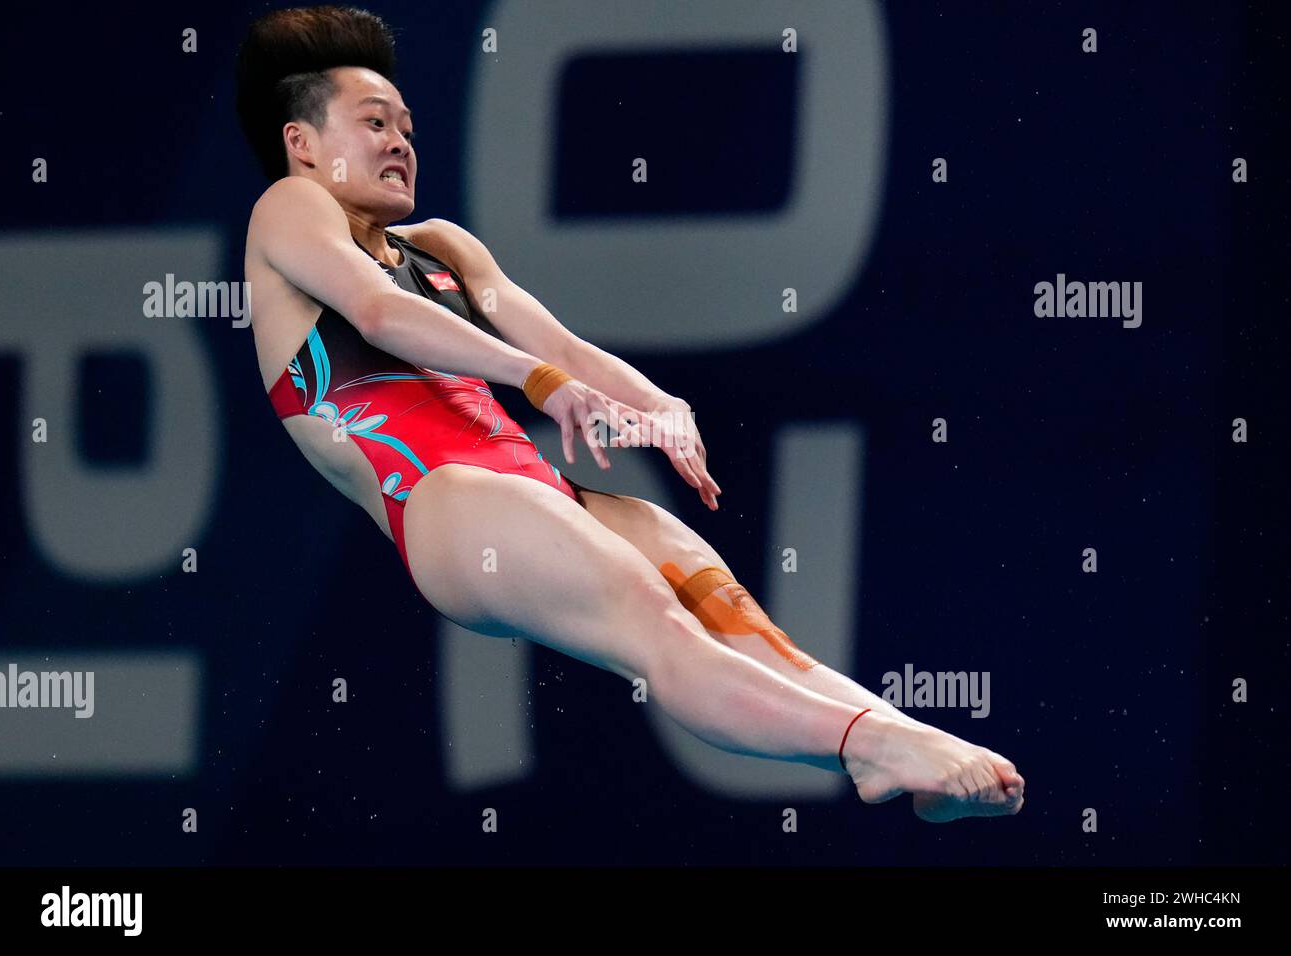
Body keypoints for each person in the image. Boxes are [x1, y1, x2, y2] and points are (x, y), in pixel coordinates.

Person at [236, 4, 1024, 822]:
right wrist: (535, 381)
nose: (400, 141)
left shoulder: (445, 250)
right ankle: (869, 743)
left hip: (536, 487)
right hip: (440, 497)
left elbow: (568, 350)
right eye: (374, 123)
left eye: (406, 125)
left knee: (737, 621)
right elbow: (378, 315)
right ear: (302, 144)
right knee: (653, 625)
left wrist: (658, 403)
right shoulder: (290, 210)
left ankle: (905, 743)